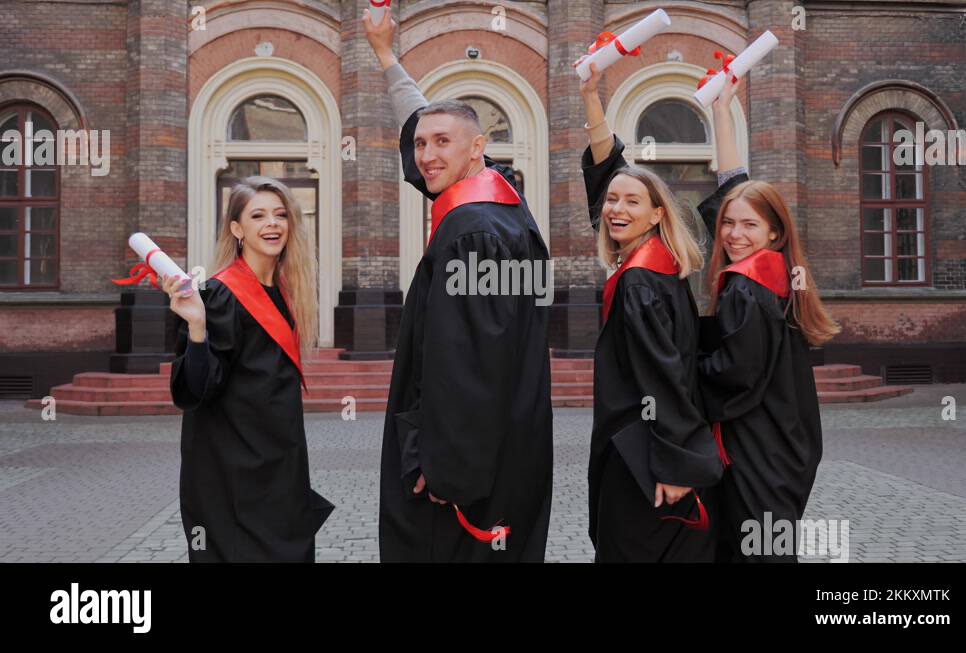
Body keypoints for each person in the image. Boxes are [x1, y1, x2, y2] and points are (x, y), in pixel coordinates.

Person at [364, 9, 553, 562]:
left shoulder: (472, 234)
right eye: (420, 144)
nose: (426, 156)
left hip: (466, 473)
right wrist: (384, 54)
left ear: (477, 149)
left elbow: (468, 364)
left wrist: (445, 469)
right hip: (512, 443)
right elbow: (427, 123)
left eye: (442, 143)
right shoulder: (505, 208)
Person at [579, 62, 723, 562]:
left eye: (631, 202)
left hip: (644, 454)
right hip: (641, 446)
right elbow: (605, 170)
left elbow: (664, 377)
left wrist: (676, 463)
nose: (616, 208)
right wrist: (591, 94)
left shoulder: (641, 282)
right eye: (612, 201)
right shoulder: (662, 268)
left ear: (658, 213)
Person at [697, 72, 841, 562]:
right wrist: (721, 112)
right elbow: (736, 190)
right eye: (728, 225)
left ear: (774, 233)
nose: (734, 234)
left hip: (756, 452)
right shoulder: (778, 273)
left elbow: (734, 371)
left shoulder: (745, 287)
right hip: (788, 447)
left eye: (749, 226)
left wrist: (682, 371)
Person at [165, 176, 334, 562]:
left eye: (280, 215)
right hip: (234, 467)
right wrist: (196, 327)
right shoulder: (218, 294)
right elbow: (194, 391)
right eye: (258, 215)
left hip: (278, 460)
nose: (272, 224)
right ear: (238, 229)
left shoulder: (285, 291)